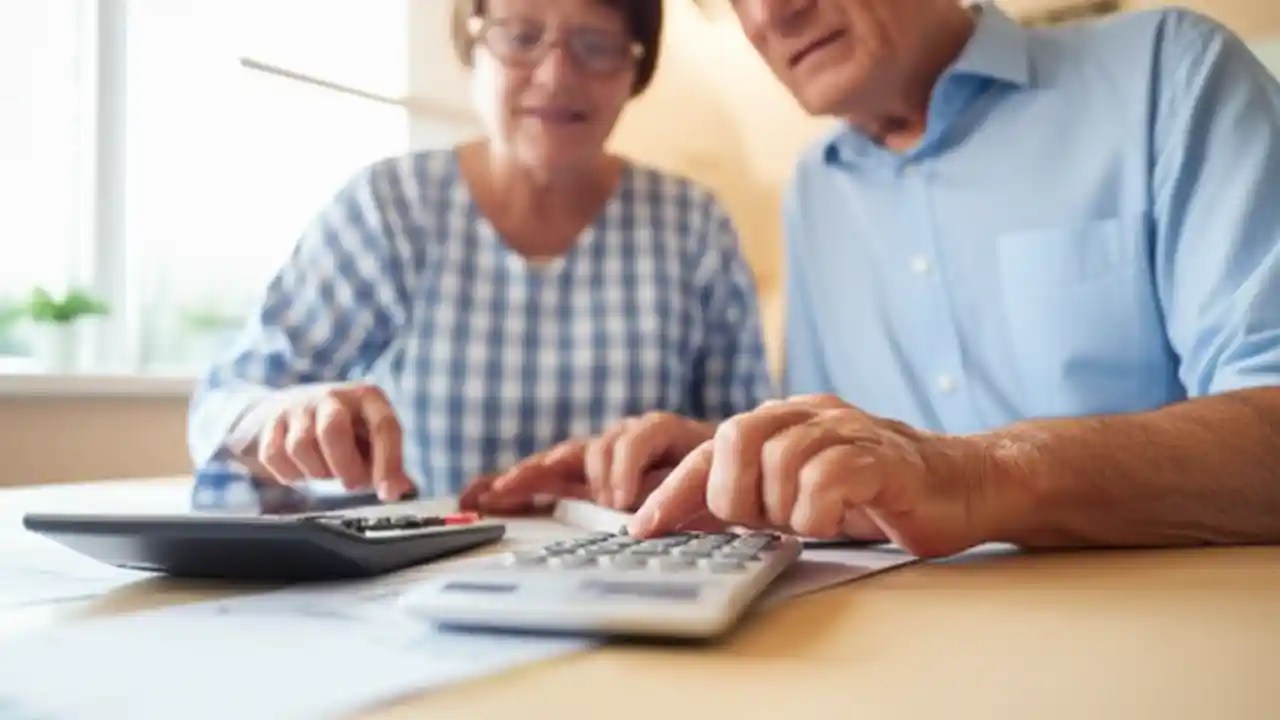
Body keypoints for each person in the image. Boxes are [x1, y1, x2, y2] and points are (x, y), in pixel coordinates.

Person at [477, 0, 1280, 556]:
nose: (770, 15)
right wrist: (733, 471)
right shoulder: (815, 193)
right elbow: (853, 469)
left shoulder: (1172, 74)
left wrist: (980, 472)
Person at [185, 0, 774, 509]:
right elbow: (226, 405)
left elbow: (755, 446)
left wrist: (698, 448)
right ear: (474, 40)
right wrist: (282, 419)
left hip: (650, 591)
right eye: (521, 36)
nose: (555, 74)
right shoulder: (390, 208)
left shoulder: (693, 227)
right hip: (411, 596)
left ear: (635, 67)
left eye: (596, 44)